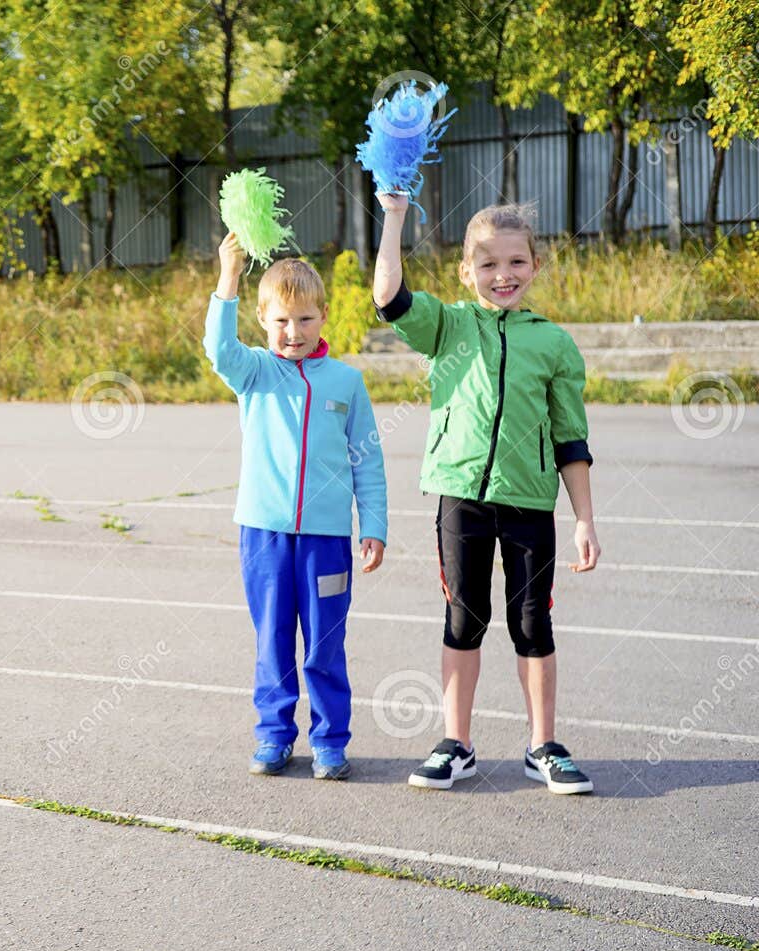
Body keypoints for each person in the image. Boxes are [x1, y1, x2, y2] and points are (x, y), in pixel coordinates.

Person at [372, 196, 599, 795]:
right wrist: (395, 217)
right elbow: (389, 297)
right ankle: (456, 744)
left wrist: (584, 520)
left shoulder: (553, 344)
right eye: (489, 263)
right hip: (460, 497)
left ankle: (543, 746)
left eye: (517, 262)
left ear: (536, 266)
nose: (504, 274)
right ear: (465, 272)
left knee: (532, 624)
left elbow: (571, 438)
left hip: (529, 501)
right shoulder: (447, 325)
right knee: (463, 618)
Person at [203, 234, 388, 781]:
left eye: (305, 320)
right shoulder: (254, 372)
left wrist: (372, 524)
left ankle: (330, 740)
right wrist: (228, 277)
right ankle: (274, 735)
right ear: (262, 318)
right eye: (282, 321)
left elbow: (368, 465)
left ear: (324, 317)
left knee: (325, 645)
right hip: (262, 535)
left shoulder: (347, 382)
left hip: (327, 540)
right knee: (272, 641)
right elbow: (218, 349)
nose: (294, 333)